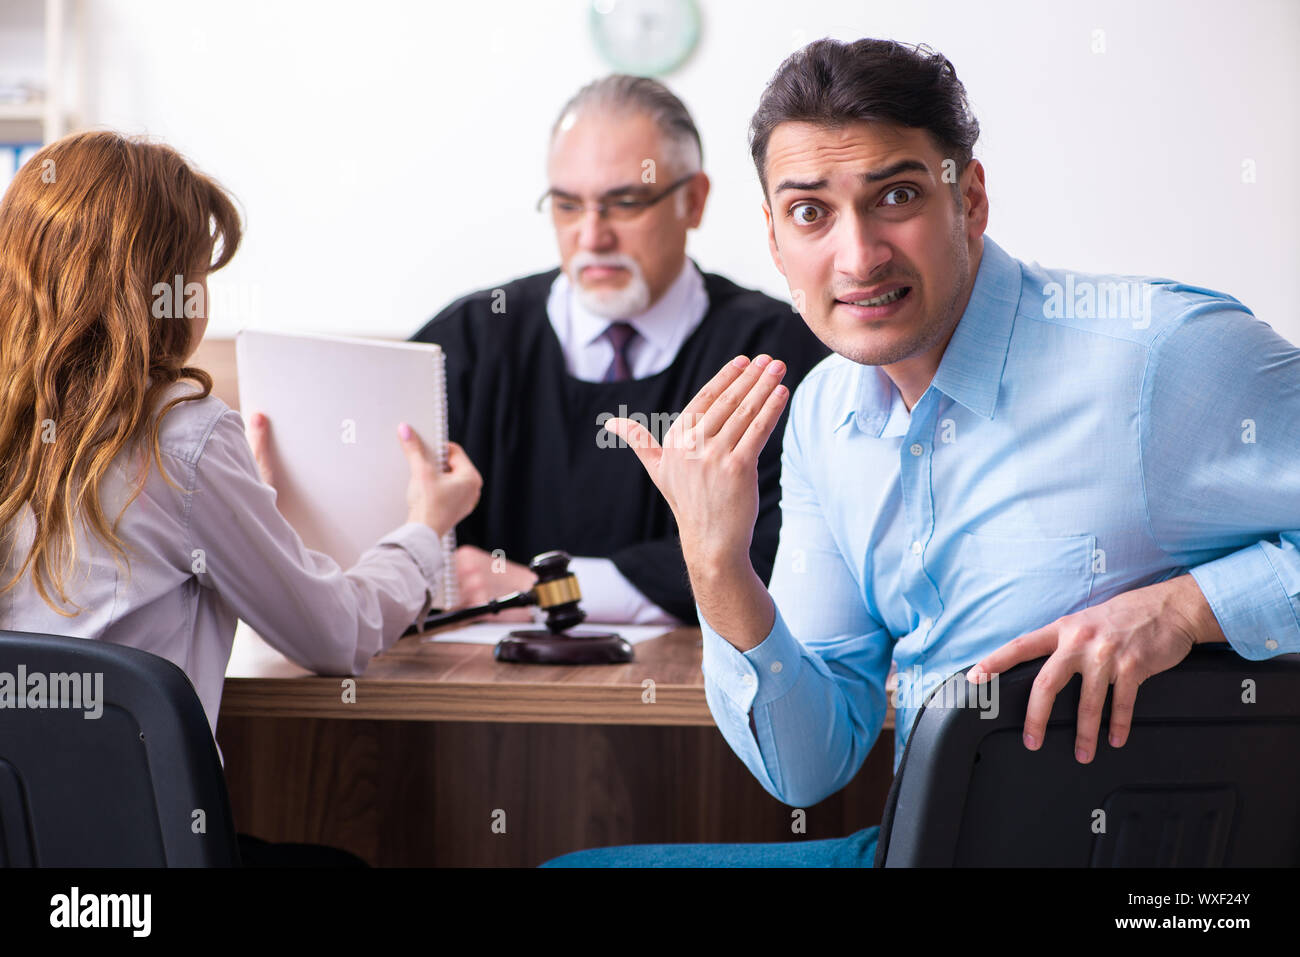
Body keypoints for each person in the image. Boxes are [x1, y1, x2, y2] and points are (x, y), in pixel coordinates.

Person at [544, 37, 1300, 866]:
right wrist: (717, 567)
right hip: (918, 846)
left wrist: (1188, 607)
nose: (859, 256)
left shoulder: (1158, 359)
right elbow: (811, 766)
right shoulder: (825, 412)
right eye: (810, 213)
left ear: (969, 198)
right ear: (772, 236)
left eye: (896, 195)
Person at [0, 131, 483, 863]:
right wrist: (426, 525)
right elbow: (336, 636)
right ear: (157, 290)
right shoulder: (182, 435)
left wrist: (236, 498)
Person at [404, 75, 829, 625]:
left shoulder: (776, 352)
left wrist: (547, 590)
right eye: (567, 205)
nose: (592, 236)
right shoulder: (466, 341)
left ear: (694, 201)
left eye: (624, 203)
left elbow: (792, 552)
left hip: (695, 701)